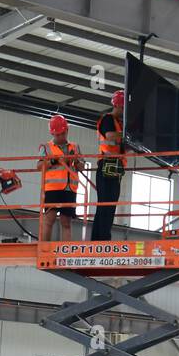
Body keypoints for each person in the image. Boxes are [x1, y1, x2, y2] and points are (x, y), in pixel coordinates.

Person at [38, 114, 84, 242]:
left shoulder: (75, 147)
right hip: (52, 189)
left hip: (70, 189)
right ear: (52, 133)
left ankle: (66, 253)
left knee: (66, 222)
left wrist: (75, 161)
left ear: (67, 130)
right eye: (56, 135)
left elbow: (82, 167)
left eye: (62, 134)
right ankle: (45, 250)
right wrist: (54, 161)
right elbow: (39, 166)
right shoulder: (46, 147)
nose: (59, 137)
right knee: (49, 220)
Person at [91, 89, 126, 241]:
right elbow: (110, 135)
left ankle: (101, 238)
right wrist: (128, 134)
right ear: (119, 106)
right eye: (124, 108)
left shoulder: (119, 123)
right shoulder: (108, 119)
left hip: (115, 168)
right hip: (106, 165)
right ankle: (102, 238)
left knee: (109, 205)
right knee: (106, 203)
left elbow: (123, 146)